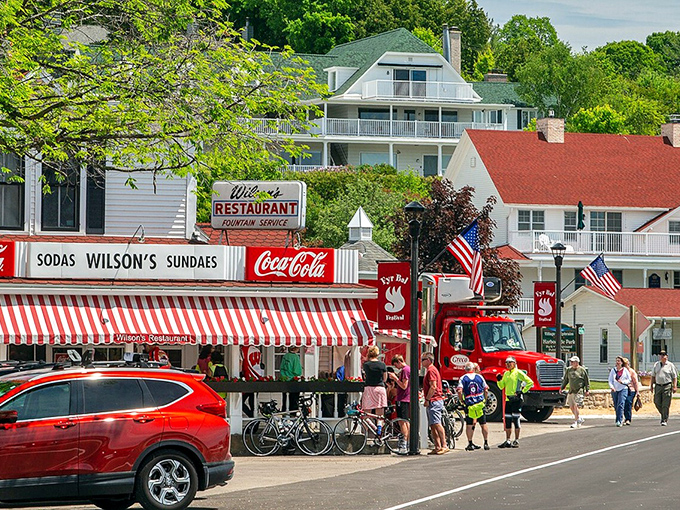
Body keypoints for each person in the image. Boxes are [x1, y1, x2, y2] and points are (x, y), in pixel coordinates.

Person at [497, 356, 533, 448]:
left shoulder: (518, 373)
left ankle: (516, 440)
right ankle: (508, 440)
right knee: (508, 419)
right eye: (506, 363)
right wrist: (499, 380)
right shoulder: (506, 374)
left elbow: (530, 382)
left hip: (516, 400)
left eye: (510, 362)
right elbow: (501, 387)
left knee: (516, 419)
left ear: (514, 363)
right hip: (508, 399)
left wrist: (522, 391)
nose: (508, 364)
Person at [457, 361, 490, 451]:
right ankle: (486, 442)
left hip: (469, 404)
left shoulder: (463, 378)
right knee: (483, 423)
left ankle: (470, 443)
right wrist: (485, 399)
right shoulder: (479, 377)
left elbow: (459, 391)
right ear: (473, 369)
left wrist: (461, 400)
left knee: (469, 424)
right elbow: (486, 389)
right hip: (480, 403)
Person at [421, 351, 448, 455]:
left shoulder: (431, 370)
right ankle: (437, 446)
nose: (421, 362)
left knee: (436, 423)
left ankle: (444, 445)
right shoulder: (430, 370)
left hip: (435, 400)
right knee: (432, 424)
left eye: (423, 360)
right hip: (434, 400)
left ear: (428, 360)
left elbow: (433, 386)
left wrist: (427, 399)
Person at [361, 345, 388, 435]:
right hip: (380, 388)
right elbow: (385, 378)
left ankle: (366, 432)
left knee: (366, 413)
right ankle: (379, 429)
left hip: (369, 388)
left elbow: (364, 376)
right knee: (380, 414)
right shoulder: (382, 365)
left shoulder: (366, 365)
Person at [388, 354, 410, 455]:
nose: (396, 367)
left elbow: (404, 386)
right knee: (405, 421)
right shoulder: (407, 369)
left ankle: (404, 444)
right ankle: (408, 442)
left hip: (403, 398)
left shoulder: (405, 370)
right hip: (405, 398)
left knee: (402, 421)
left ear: (399, 362)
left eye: (396, 365)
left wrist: (395, 378)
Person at [560, 355, 590, 428]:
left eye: (573, 362)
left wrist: (587, 390)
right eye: (571, 362)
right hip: (571, 391)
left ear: (577, 362)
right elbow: (566, 380)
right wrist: (562, 387)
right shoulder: (568, 370)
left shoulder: (582, 370)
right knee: (571, 406)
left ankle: (576, 421)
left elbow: (586, 380)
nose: (571, 363)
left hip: (579, 390)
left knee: (576, 405)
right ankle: (579, 418)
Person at [651, 350, 678, 426]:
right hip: (658, 386)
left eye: (664, 355)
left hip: (667, 385)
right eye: (661, 355)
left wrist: (675, 386)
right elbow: (653, 376)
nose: (662, 356)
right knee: (657, 402)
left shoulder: (670, 365)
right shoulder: (656, 365)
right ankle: (664, 414)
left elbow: (674, 377)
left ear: (667, 356)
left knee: (665, 404)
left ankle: (664, 419)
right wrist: (651, 386)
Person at [241, 345, 265, 418]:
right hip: (257, 378)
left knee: (241, 402)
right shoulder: (257, 350)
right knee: (253, 402)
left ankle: (252, 417)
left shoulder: (243, 349)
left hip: (248, 378)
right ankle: (254, 418)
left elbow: (241, 363)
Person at [608, 356, 631, 427]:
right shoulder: (613, 370)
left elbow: (629, 379)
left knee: (621, 404)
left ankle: (619, 420)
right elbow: (610, 380)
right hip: (615, 390)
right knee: (616, 405)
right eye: (616, 361)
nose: (617, 362)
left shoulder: (625, 370)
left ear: (622, 363)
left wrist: (623, 382)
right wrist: (612, 387)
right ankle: (618, 418)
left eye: (619, 361)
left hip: (623, 389)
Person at [280, 346, 302, 412]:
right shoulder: (295, 357)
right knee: (293, 402)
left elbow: (282, 368)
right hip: (293, 381)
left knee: (285, 400)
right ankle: (293, 417)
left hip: (285, 381)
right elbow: (297, 371)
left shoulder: (285, 356)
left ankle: (284, 415)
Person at [622, 357, 639, 426]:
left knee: (628, 402)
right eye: (625, 364)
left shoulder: (631, 372)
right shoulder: (621, 371)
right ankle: (624, 417)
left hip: (631, 390)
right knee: (623, 403)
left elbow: (635, 382)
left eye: (627, 364)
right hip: (623, 389)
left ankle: (628, 418)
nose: (627, 366)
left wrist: (637, 391)